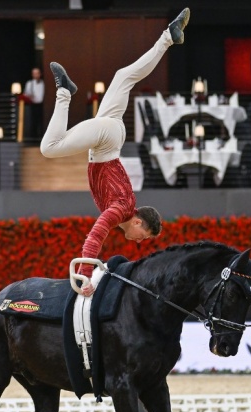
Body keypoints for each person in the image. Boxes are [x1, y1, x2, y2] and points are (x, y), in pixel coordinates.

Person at [40, 8, 192, 295]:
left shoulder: (126, 207)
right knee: (49, 148)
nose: (137, 242)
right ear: (137, 222)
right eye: (142, 236)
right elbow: (95, 235)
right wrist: (85, 276)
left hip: (113, 137)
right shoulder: (121, 210)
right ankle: (65, 93)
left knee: (124, 76)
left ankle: (167, 37)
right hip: (106, 143)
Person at [24, 67, 45, 143]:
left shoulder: (43, 83)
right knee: (33, 122)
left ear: (40, 74)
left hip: (41, 105)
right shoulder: (29, 83)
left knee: (41, 122)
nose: (36, 75)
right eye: (34, 73)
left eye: (37, 73)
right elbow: (26, 94)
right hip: (32, 105)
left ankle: (41, 138)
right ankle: (33, 139)